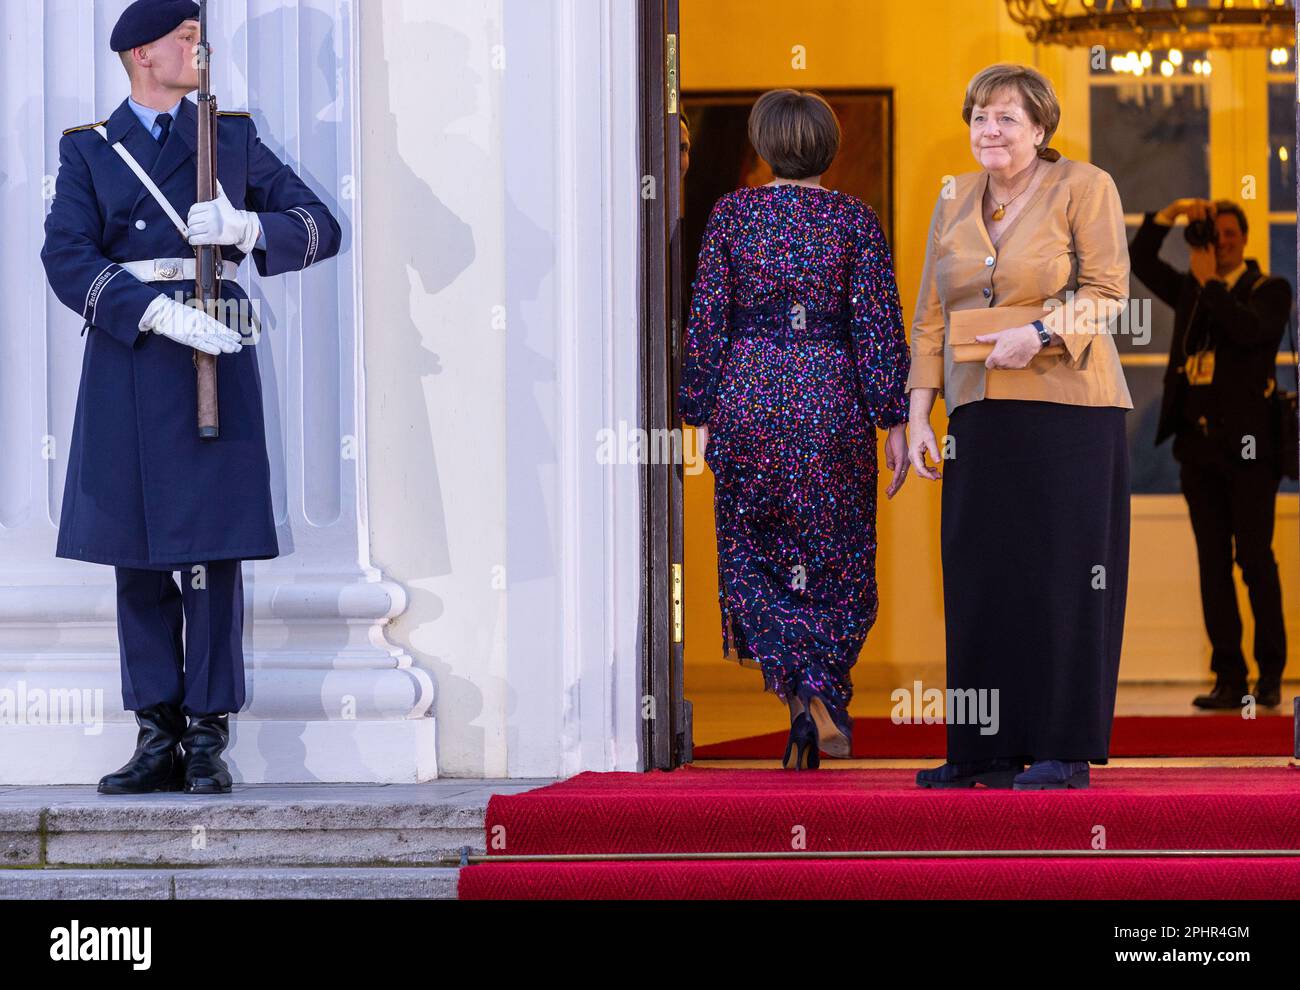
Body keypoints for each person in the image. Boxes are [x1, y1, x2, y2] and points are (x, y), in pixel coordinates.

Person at [40, 0, 341, 794]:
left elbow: (320, 226)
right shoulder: (90, 152)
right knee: (136, 560)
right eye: (184, 39)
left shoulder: (231, 137)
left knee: (211, 554)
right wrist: (153, 312)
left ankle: (208, 734)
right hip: (134, 360)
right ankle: (156, 733)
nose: (197, 50)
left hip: (218, 351)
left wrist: (247, 230)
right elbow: (66, 256)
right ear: (143, 55)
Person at [906, 63, 1133, 790]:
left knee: (1066, 579)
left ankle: (1063, 752)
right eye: (978, 116)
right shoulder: (953, 196)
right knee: (981, 577)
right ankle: (985, 750)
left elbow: (1108, 293)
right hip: (977, 413)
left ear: (1041, 128)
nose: (989, 130)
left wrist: (1038, 332)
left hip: (1071, 407)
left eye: (1006, 117)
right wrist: (918, 412)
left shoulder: (1086, 187)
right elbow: (931, 315)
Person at [677, 88, 911, 770]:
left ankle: (797, 698)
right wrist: (893, 416)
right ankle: (825, 691)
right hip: (832, 403)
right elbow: (875, 327)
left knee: (754, 555)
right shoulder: (855, 222)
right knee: (839, 553)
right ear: (828, 149)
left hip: (749, 402)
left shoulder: (732, 217)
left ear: (763, 147)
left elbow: (708, 321)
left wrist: (693, 409)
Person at [1130, 199, 1291, 710]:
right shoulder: (1192, 290)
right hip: (1196, 449)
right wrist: (1168, 214)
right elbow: (1141, 262)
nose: (1219, 242)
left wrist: (1212, 283)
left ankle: (1269, 675)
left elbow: (1249, 333)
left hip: (1248, 452)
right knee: (1212, 564)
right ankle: (1228, 677)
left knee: (1255, 559)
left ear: (1243, 239)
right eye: (1210, 234)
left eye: (1226, 234)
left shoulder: (1270, 290)